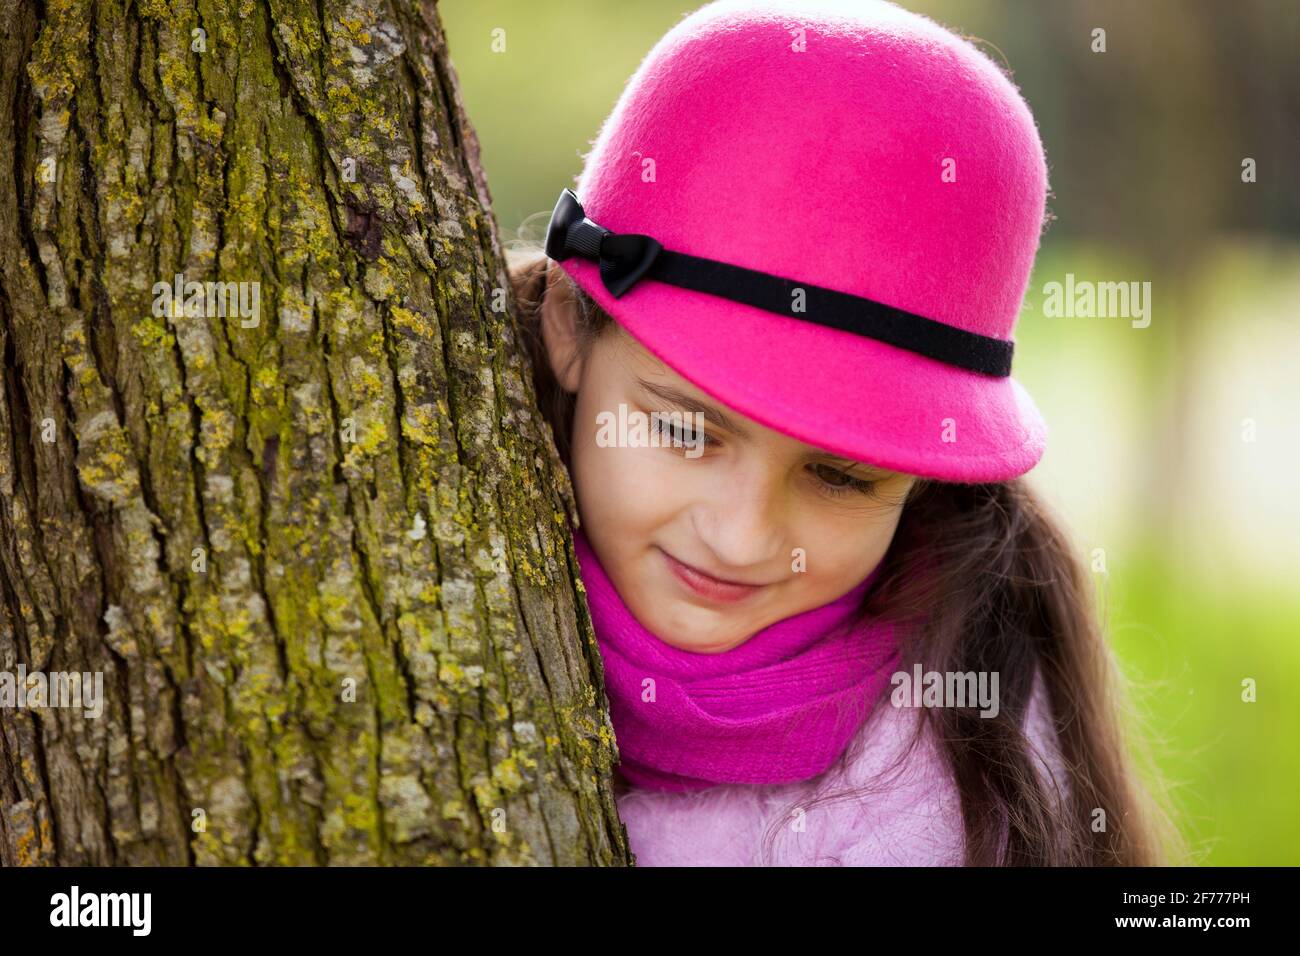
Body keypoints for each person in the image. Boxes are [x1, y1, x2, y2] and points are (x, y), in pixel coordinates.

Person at [505, 0, 1181, 865]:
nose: (743, 536)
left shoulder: (947, 816)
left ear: (927, 479)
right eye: (683, 431)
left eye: (841, 479)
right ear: (569, 322)